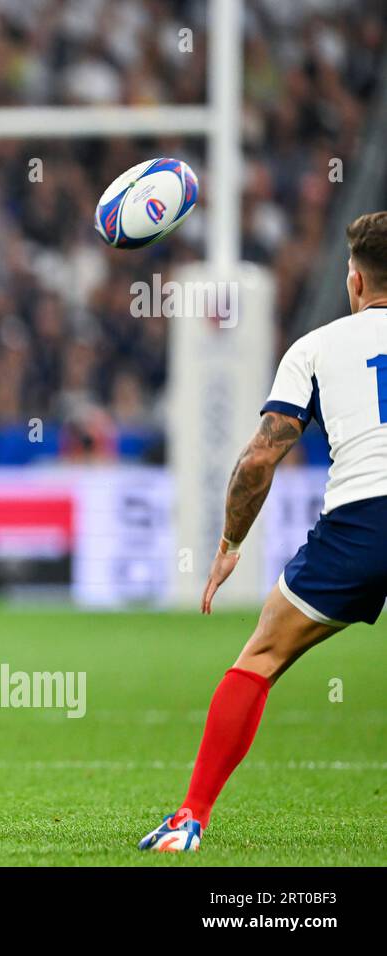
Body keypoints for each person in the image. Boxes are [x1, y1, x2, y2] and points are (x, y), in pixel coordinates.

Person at [139, 212, 387, 851]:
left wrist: (229, 546)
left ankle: (191, 817)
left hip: (360, 524)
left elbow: (258, 460)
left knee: (261, 657)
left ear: (355, 280)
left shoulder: (315, 347)